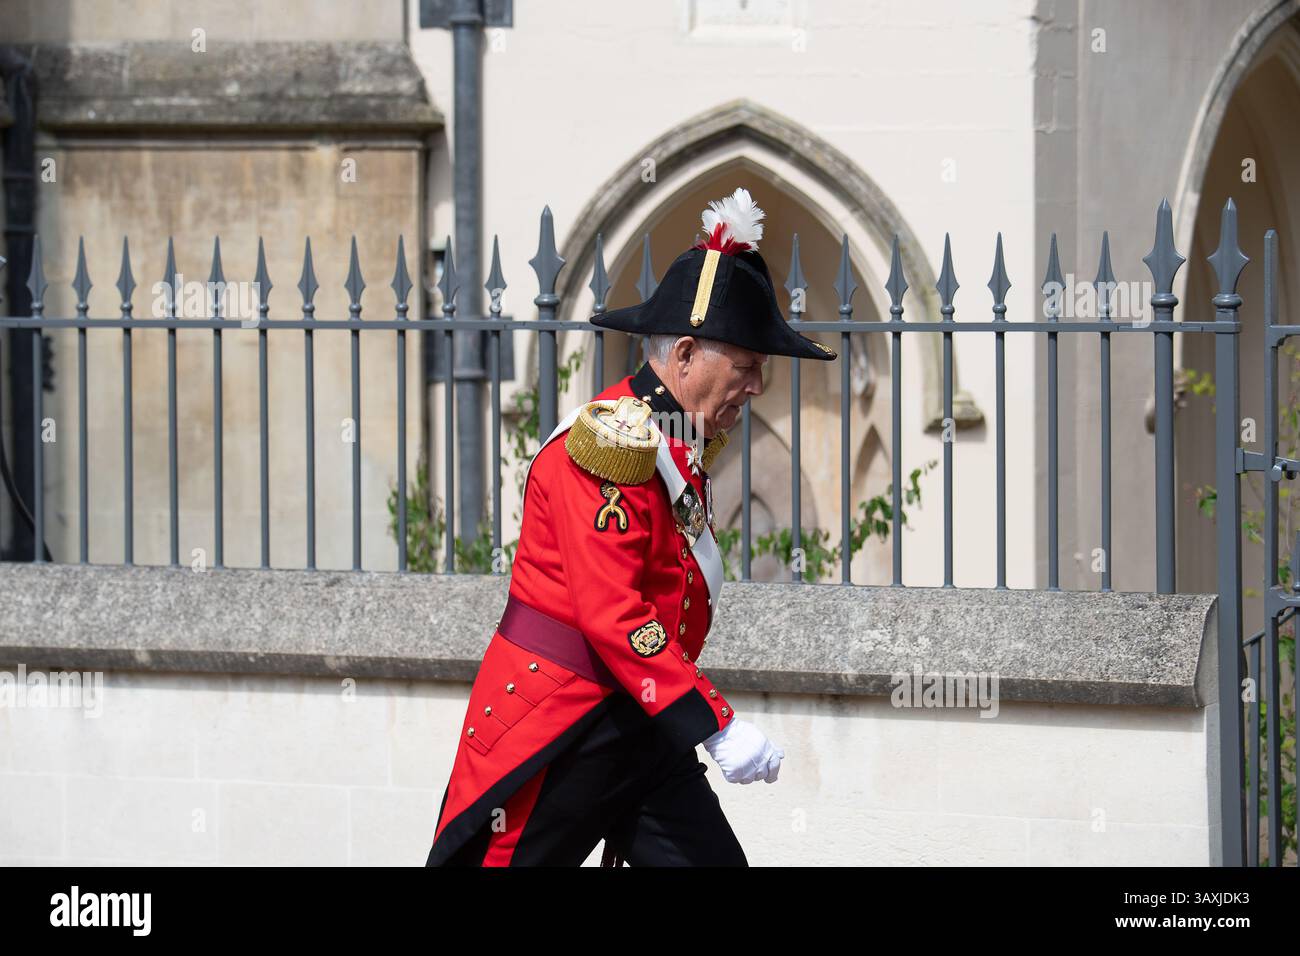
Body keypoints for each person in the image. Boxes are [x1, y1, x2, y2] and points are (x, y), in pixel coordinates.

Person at [424, 186, 837, 866]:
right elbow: (616, 614)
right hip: (567, 724)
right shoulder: (612, 444)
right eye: (745, 367)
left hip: (641, 723)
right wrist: (716, 725)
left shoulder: (673, 439)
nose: (757, 386)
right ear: (683, 355)